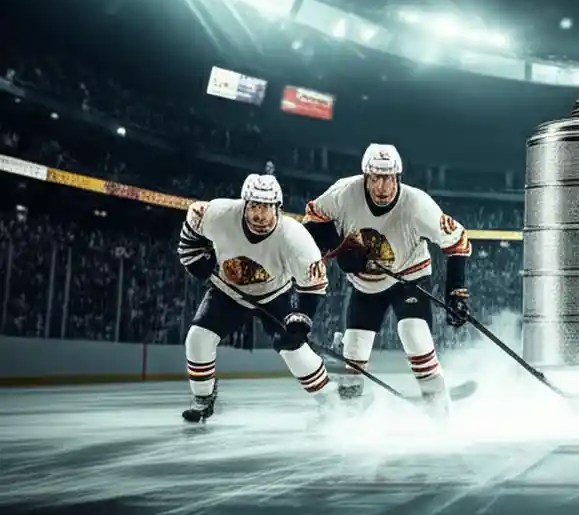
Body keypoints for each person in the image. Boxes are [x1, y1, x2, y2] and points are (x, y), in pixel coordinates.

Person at [302, 143, 472, 418]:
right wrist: (340, 248)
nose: (383, 186)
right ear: (365, 177)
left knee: (414, 335)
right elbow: (311, 219)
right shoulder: (345, 192)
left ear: (398, 178)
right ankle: (348, 412)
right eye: (376, 178)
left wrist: (456, 291)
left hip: (408, 277)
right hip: (364, 285)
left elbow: (458, 242)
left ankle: (440, 411)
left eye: (389, 178)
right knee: (355, 350)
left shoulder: (417, 204)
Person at [176, 173, 332, 423]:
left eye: (267, 207)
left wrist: (301, 319)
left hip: (275, 295)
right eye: (254, 206)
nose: (259, 215)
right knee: (198, 338)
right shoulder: (219, 213)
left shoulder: (295, 236)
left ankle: (329, 400)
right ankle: (202, 399)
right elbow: (192, 227)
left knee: (293, 350)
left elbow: (313, 286)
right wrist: (195, 259)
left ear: (277, 207)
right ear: (244, 204)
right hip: (227, 292)